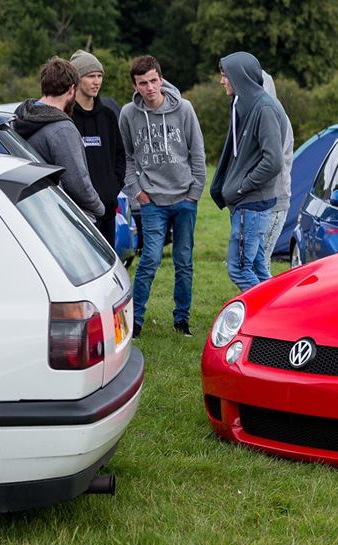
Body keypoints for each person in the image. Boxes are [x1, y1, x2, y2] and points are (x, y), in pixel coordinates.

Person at [120, 55, 206, 337]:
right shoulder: (129, 114)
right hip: (152, 201)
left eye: (154, 81)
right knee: (149, 260)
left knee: (184, 262)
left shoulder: (184, 109)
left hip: (184, 198)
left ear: (161, 79)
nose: (150, 88)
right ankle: (136, 321)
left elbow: (198, 152)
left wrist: (194, 192)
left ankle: (182, 320)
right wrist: (137, 192)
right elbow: (127, 158)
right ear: (135, 85)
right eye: (143, 83)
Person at [209, 52, 287, 291]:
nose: (222, 81)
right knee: (257, 268)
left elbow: (273, 161)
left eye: (225, 76)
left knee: (240, 269)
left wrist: (243, 186)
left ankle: (264, 319)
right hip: (249, 203)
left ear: (240, 77)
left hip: (252, 204)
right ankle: (279, 318)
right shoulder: (246, 105)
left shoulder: (264, 110)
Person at [14, 57, 105, 221]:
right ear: (71, 90)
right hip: (57, 219)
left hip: (27, 211)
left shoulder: (19, 118)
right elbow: (77, 184)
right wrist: (99, 208)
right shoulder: (63, 129)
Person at [70, 50, 126, 247]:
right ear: (76, 80)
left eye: (99, 76)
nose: (97, 81)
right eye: (90, 76)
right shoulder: (66, 119)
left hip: (108, 210)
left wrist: (112, 188)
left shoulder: (108, 116)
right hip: (78, 212)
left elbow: (120, 156)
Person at [259, 71, 294, 273]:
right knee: (255, 263)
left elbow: (272, 162)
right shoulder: (259, 116)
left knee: (260, 264)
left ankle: (266, 305)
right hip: (259, 200)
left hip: (274, 200)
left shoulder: (274, 117)